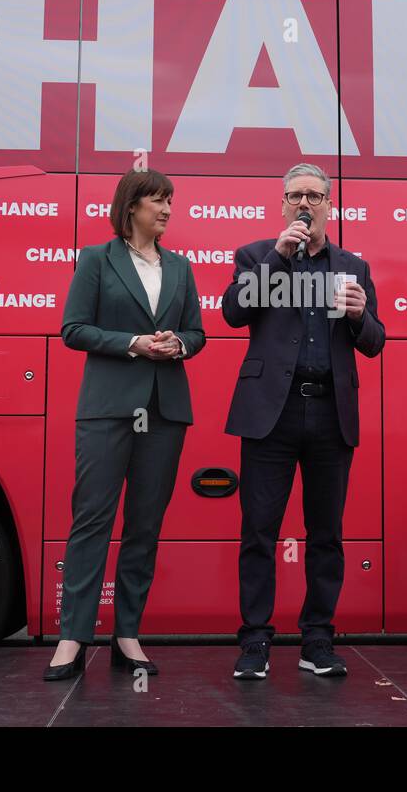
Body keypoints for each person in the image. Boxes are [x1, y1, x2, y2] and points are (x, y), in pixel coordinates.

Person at [223, 163, 385, 680]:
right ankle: (254, 643)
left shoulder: (353, 266)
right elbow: (233, 312)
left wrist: (360, 317)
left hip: (330, 413)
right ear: (283, 202)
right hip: (272, 412)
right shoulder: (256, 256)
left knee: (326, 534)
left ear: (329, 205)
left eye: (315, 195)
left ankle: (318, 639)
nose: (305, 203)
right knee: (259, 531)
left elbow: (376, 343)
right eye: (295, 194)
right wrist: (279, 255)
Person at [46, 169, 205, 681]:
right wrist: (133, 343)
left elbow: (197, 332)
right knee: (92, 518)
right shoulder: (97, 259)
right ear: (131, 205)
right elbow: (73, 329)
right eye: (158, 200)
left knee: (145, 524)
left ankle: (127, 634)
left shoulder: (181, 267)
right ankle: (72, 636)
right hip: (108, 408)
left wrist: (178, 344)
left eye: (170, 201)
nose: (166, 209)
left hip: (165, 409)